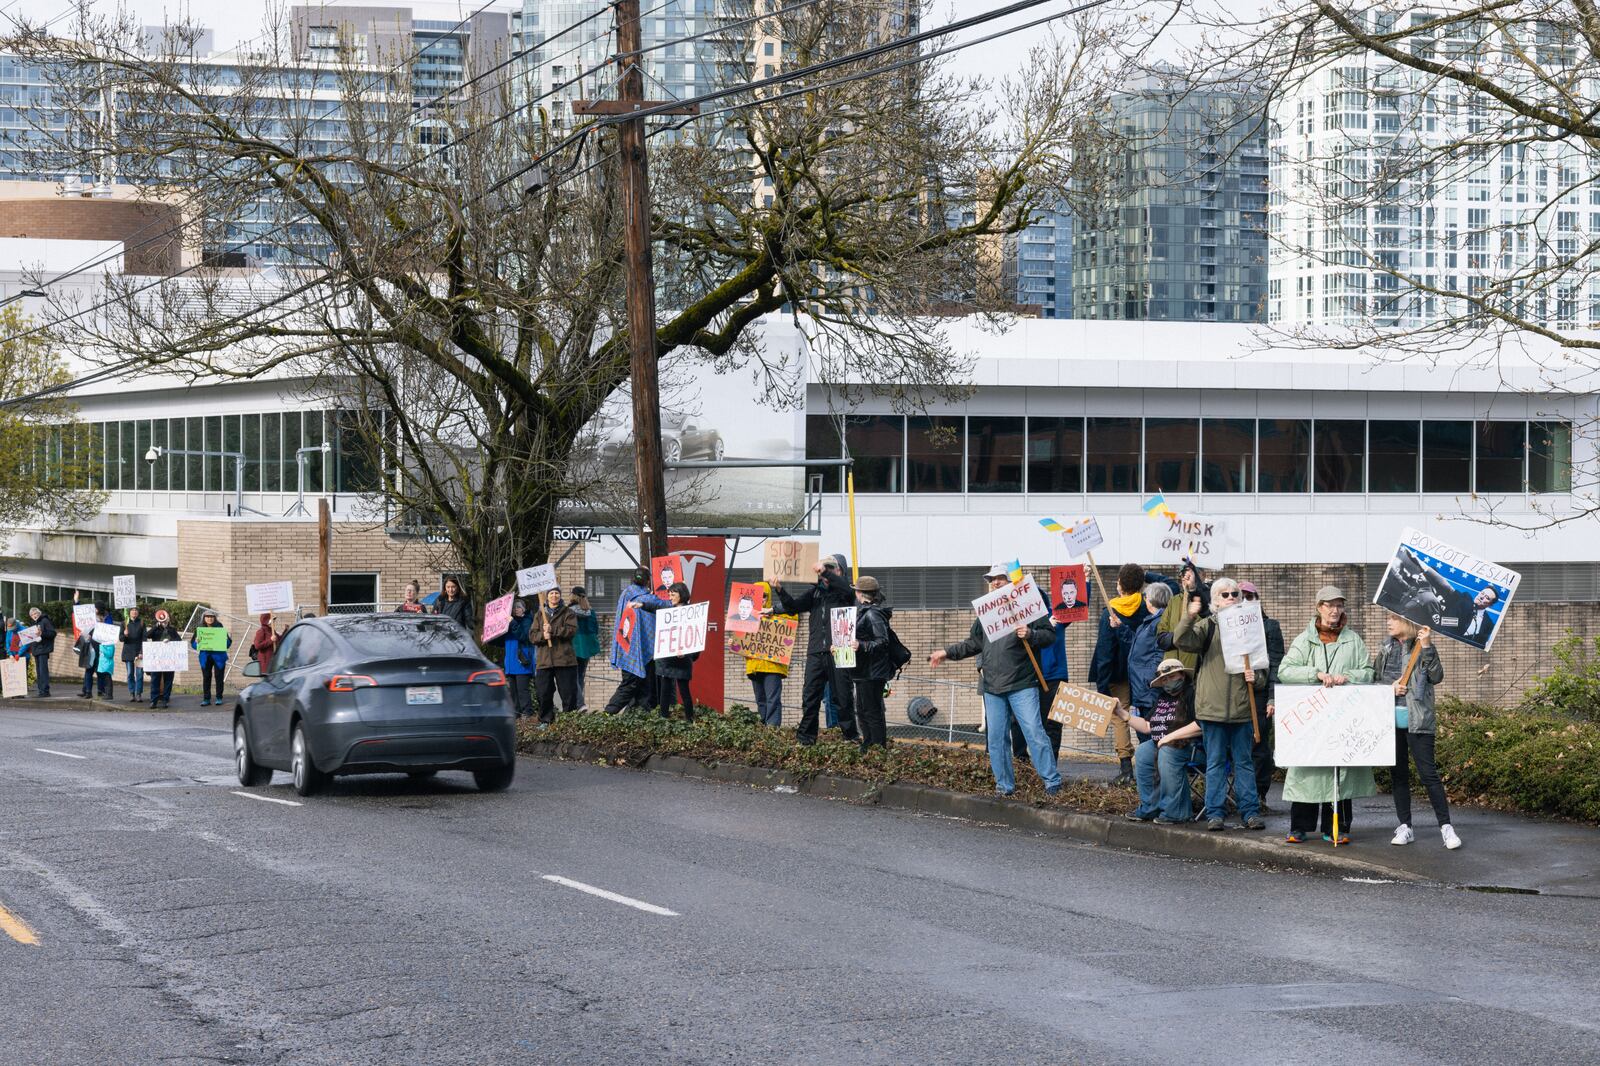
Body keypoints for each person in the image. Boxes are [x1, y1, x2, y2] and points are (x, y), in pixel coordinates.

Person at [931, 564, 1061, 797]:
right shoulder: (986, 613)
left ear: (1012, 582)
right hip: (992, 687)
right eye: (992, 579)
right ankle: (1004, 786)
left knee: (1034, 732)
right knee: (996, 739)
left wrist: (1030, 634)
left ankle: (1052, 782)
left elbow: (1050, 636)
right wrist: (947, 652)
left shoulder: (1029, 606)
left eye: (1000, 578)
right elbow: (973, 643)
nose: (995, 583)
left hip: (1022, 683)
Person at [1277, 586, 1377, 844]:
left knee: (1340, 768)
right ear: (1319, 608)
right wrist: (1316, 674)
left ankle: (1339, 827)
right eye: (1329, 605)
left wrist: (1350, 676)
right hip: (1312, 717)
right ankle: (1299, 827)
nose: (1335, 610)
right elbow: (1285, 671)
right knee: (1308, 768)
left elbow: (1368, 672)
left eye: (1339, 605)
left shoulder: (1353, 639)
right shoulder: (1304, 640)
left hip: (1342, 717)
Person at [1174, 577, 1269, 831]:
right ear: (1215, 600)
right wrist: (1189, 616)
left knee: (1244, 762)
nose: (1230, 598)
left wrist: (1256, 678)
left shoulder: (1251, 628)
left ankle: (1249, 811)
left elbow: (1261, 673)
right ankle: (1215, 814)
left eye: (1234, 593)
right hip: (1212, 710)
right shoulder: (1208, 626)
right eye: (1224, 594)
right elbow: (1182, 640)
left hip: (1241, 709)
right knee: (1215, 762)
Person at [1375, 614, 1460, 850]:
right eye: (1389, 618)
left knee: (1428, 774)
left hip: (1419, 719)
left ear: (1408, 622)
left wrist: (1427, 646)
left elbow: (1436, 676)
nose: (1388, 622)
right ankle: (1405, 826)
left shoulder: (1423, 647)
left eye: (1394, 619)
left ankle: (1446, 827)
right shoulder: (1386, 648)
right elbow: (1374, 680)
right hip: (1389, 721)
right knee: (1398, 775)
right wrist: (1389, 688)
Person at [1090, 562, 1175, 785]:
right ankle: (1153, 767)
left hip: (1117, 673)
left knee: (1120, 716)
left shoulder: (1111, 611)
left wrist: (1102, 684)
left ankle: (1126, 767)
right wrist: (1145, 575)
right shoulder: (1146, 607)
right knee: (1146, 718)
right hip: (1141, 674)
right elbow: (1173, 586)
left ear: (1119, 584)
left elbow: (1105, 651)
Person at [774, 554, 859, 745]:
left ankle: (850, 736)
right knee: (810, 696)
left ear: (840, 571)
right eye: (824, 568)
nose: (825, 572)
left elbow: (845, 588)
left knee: (843, 695)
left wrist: (826, 571)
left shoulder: (845, 593)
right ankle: (806, 738)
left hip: (841, 648)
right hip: (815, 652)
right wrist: (779, 589)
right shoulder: (815, 593)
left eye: (831, 568)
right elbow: (793, 607)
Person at [1116, 658, 1200, 823]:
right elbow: (1148, 726)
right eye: (1164, 679)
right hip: (1165, 745)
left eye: (1171, 676)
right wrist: (1122, 713)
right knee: (1143, 751)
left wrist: (1169, 737)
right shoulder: (1162, 697)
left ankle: (1176, 812)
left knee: (1167, 752)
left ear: (1182, 675)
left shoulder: (1193, 693)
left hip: (1195, 747)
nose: (1168, 681)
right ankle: (1149, 808)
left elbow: (1201, 724)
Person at [1011, 580, 1077, 763]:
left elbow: (1076, 608)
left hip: (1055, 678)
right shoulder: (1020, 624)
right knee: (1020, 721)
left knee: (1053, 723)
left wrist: (1085, 580)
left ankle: (1050, 764)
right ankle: (1020, 761)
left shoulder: (1057, 618)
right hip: (1028, 678)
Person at [1240, 581, 1287, 812]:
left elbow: (1277, 663)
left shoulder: (1270, 626)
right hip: (1234, 694)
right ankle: (1239, 794)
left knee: (1258, 745)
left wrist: (1272, 697)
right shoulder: (1229, 626)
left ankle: (1259, 794)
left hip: (1258, 694)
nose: (1245, 600)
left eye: (1250, 596)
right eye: (1241, 596)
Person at [846, 576, 899, 750]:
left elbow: (882, 641)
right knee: (863, 710)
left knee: (871, 711)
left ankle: (877, 747)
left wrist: (861, 645)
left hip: (872, 672)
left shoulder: (872, 613)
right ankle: (869, 744)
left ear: (860, 593)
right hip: (865, 671)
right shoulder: (867, 611)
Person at [605, 568, 664, 714]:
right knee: (631, 685)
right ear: (648, 580)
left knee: (643, 687)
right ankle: (609, 712)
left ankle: (635, 717)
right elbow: (666, 605)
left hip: (627, 646)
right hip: (641, 650)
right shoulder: (647, 598)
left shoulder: (625, 594)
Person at [639, 582, 697, 721]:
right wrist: (642, 605)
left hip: (682, 659)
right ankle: (663, 718)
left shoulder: (692, 612)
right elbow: (656, 606)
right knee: (664, 689)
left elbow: (695, 635)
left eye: (673, 594)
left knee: (684, 690)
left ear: (681, 594)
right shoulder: (667, 607)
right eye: (669, 594)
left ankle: (690, 719)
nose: (670, 596)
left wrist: (688, 653)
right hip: (667, 658)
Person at [744, 581, 793, 727]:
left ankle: (772, 729)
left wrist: (772, 612)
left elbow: (793, 614)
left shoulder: (779, 614)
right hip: (754, 665)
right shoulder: (746, 618)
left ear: (768, 597)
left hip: (773, 666)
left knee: (772, 699)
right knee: (760, 700)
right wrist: (734, 643)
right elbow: (742, 641)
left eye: (764, 596)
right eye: (757, 597)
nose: (761, 600)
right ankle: (766, 727)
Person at [531, 587, 580, 723]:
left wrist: (553, 630)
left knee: (568, 693)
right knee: (543, 693)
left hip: (565, 660)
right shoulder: (539, 615)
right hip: (544, 661)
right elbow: (532, 635)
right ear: (547, 597)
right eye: (551, 593)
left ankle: (569, 722)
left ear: (560, 596)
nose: (554, 596)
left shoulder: (568, 613)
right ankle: (545, 721)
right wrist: (543, 635)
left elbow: (571, 631)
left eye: (556, 593)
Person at [1127, 582, 1173, 721]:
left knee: (1149, 732)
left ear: (1152, 599)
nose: (1144, 600)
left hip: (1149, 690)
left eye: (1146, 597)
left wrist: (1149, 679)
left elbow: (1160, 653)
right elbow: (1137, 643)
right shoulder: (1148, 622)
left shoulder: (1160, 622)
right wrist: (1120, 627)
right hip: (1142, 689)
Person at [1156, 559, 1209, 671]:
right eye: (1183, 575)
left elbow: (1206, 636)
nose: (1186, 578)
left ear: (1203, 576)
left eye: (1192, 574)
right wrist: (1179, 637)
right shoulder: (1174, 601)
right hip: (1172, 670)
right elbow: (1161, 637)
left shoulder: (1208, 601)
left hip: (1196, 669)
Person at [493, 598, 536, 720]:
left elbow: (523, 636)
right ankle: (516, 712)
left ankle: (527, 712)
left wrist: (512, 623)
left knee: (522, 689)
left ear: (523, 609)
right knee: (513, 690)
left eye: (518, 607)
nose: (516, 609)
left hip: (522, 660)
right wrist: (489, 638)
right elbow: (501, 641)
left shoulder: (527, 621)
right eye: (514, 607)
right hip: (511, 662)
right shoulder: (509, 622)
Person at [191, 609, 232, 707]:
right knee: (206, 677)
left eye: (211, 617)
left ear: (214, 618)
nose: (209, 618)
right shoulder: (199, 629)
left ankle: (219, 697)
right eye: (207, 617)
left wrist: (225, 641)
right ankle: (206, 698)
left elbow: (228, 643)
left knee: (219, 677)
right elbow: (193, 644)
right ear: (204, 618)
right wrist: (197, 643)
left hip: (219, 657)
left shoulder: (220, 628)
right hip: (205, 657)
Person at [569, 586, 600, 710]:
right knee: (580, 675)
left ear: (573, 596)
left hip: (574, 646)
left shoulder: (569, 611)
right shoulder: (591, 612)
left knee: (572, 676)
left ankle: (580, 704)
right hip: (587, 648)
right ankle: (579, 704)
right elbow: (596, 629)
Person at [145, 609, 177, 708]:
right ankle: (153, 700)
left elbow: (179, 640)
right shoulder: (156, 629)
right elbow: (147, 635)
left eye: (165, 620)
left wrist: (170, 639)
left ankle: (165, 699)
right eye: (162, 621)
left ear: (168, 620)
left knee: (168, 680)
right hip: (157, 659)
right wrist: (156, 626)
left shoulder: (172, 629)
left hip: (169, 659)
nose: (163, 622)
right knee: (155, 679)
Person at [120, 606, 147, 704]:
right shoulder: (124, 623)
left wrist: (141, 652)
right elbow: (121, 639)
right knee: (130, 674)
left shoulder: (142, 623)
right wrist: (125, 634)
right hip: (128, 652)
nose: (134, 612)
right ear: (129, 612)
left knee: (139, 675)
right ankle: (132, 693)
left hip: (138, 653)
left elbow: (144, 638)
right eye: (133, 610)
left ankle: (138, 693)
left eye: (136, 610)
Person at [27, 606, 55, 696]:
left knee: (43, 671)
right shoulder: (33, 624)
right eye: (32, 615)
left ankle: (45, 691)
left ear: (39, 613)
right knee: (39, 671)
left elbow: (52, 633)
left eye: (35, 613)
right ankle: (41, 691)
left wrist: (42, 633)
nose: (34, 615)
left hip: (43, 649)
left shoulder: (45, 621)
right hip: (36, 650)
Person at [249, 612, 279, 676]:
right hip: (266, 662)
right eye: (272, 621)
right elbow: (257, 645)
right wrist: (270, 640)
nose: (273, 622)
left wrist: (286, 631)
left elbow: (279, 639)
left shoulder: (272, 631)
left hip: (273, 661)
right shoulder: (261, 631)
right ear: (267, 622)